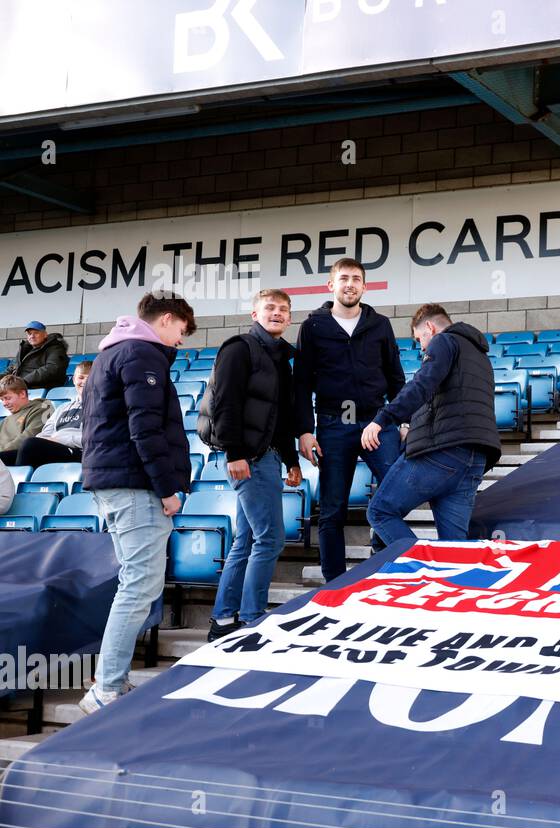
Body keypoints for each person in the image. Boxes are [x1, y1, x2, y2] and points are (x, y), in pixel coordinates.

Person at [79, 292, 195, 713]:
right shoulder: (140, 353)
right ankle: (106, 688)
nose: (179, 343)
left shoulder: (114, 352)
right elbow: (144, 429)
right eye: (180, 332)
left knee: (135, 584)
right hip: (134, 484)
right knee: (139, 586)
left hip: (115, 481)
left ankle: (112, 681)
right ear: (167, 320)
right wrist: (167, 488)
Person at [198, 289, 301, 641]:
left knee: (246, 539)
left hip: (269, 456)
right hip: (248, 457)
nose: (277, 313)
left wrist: (291, 460)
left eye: (283, 310)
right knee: (270, 538)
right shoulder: (239, 348)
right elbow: (225, 404)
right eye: (269, 308)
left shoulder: (281, 359)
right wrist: (234, 454)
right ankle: (253, 618)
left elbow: (281, 418)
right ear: (254, 314)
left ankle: (224, 620)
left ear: (289, 318)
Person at [294, 257, 405, 582]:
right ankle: (335, 584)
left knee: (396, 495)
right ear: (331, 285)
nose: (350, 284)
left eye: (356, 278)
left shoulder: (380, 324)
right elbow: (300, 383)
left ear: (364, 286)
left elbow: (395, 377)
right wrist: (304, 430)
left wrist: (404, 420)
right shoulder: (314, 326)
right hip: (333, 424)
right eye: (344, 278)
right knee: (332, 510)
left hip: (376, 422)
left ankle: (379, 559)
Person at [362, 303, 501, 545]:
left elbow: (422, 384)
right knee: (454, 548)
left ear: (429, 327)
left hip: (442, 451)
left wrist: (383, 419)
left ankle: (421, 567)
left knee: (380, 512)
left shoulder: (443, 341)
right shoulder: (481, 357)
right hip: (475, 458)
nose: (421, 346)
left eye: (419, 339)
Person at [6, 360, 92, 469]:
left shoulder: (100, 407)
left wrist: (60, 439)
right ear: (74, 380)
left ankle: (19, 484)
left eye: (89, 378)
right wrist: (46, 440)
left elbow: (94, 439)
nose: (84, 381)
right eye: (81, 377)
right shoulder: (62, 408)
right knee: (3, 458)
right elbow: (45, 434)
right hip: (56, 448)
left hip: (80, 452)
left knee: (30, 445)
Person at [0, 374, 53, 461]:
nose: (4, 403)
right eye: (2, 400)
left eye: (7, 398)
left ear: (22, 394)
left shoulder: (42, 409)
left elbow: (28, 439)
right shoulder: (5, 421)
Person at [5, 321, 70, 390]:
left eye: (36, 333)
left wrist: (23, 381)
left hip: (39, 389)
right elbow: (12, 367)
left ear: (45, 334)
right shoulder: (25, 350)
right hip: (19, 388)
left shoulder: (55, 348)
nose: (32, 336)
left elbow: (52, 368)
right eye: (29, 334)